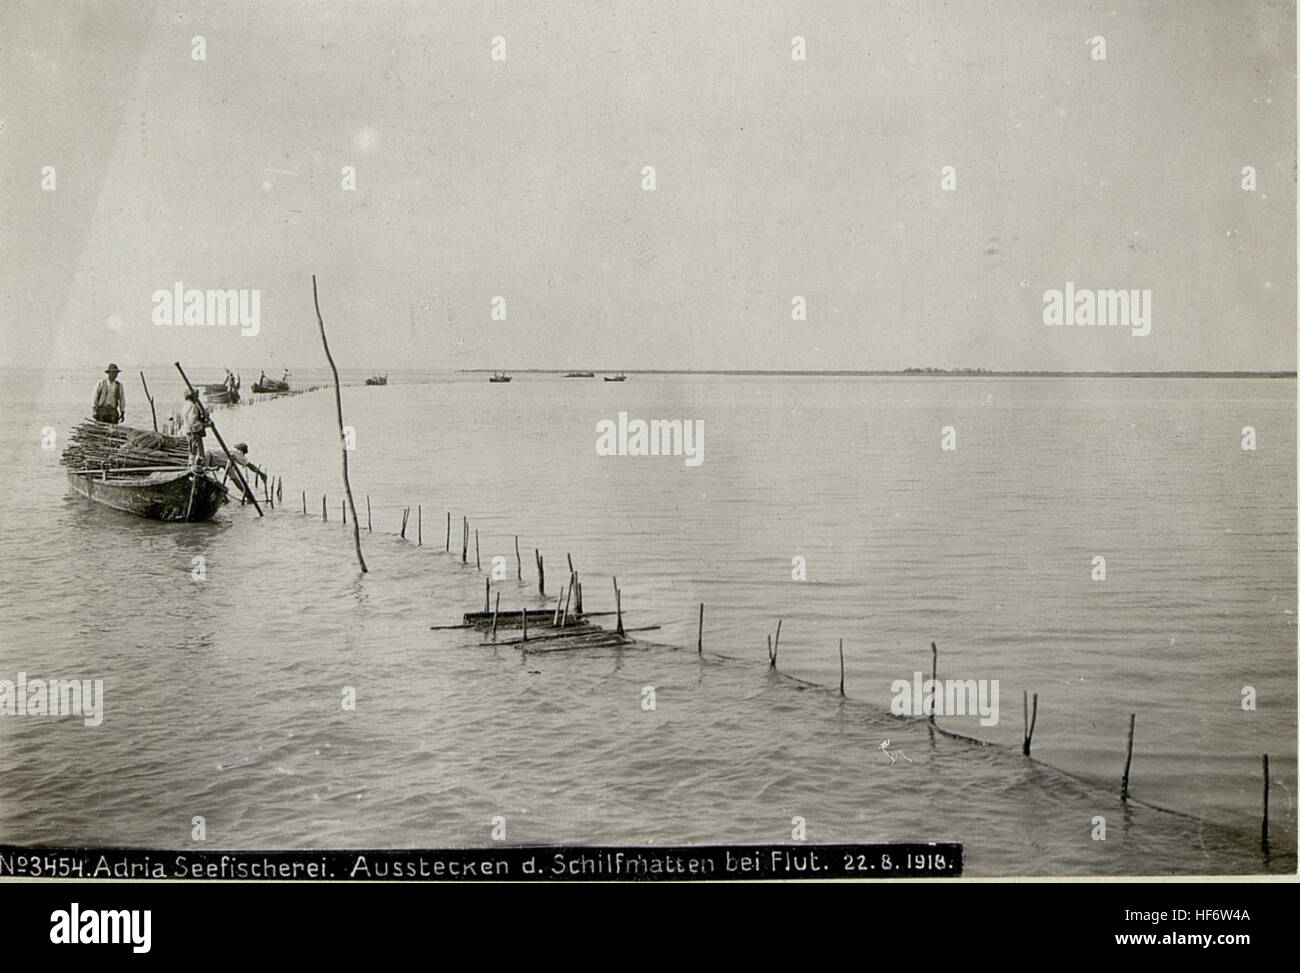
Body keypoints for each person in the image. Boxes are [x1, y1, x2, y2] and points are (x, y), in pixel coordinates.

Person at [181, 390, 209, 466]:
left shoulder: (186, 405)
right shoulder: (193, 406)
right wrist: (204, 425)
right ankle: (195, 469)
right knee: (196, 453)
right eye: (197, 396)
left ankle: (192, 467)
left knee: (192, 451)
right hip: (193, 433)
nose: (198, 397)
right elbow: (193, 422)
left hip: (188, 432)